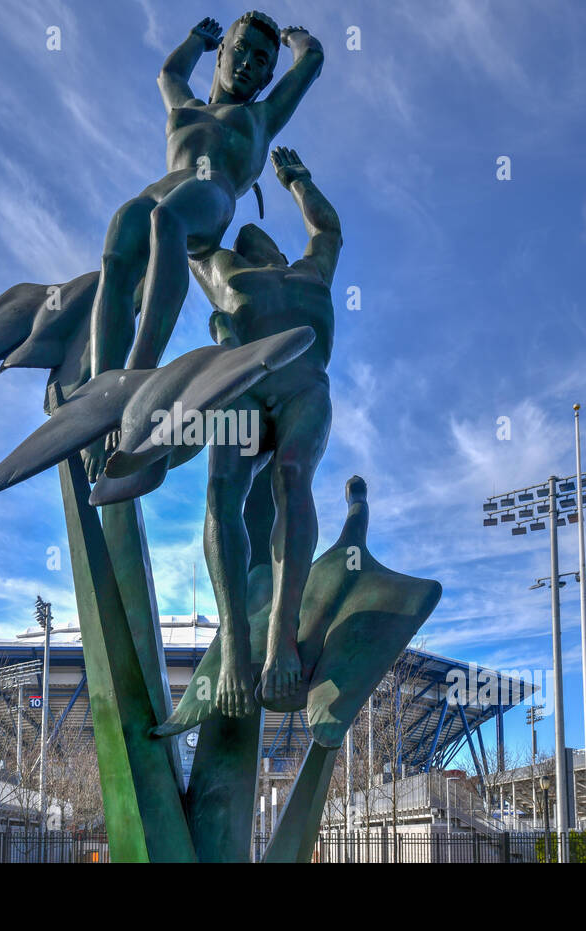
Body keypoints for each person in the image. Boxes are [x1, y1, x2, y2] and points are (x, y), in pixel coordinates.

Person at [84, 12, 323, 481]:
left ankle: (137, 379)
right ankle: (100, 398)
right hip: (163, 187)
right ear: (222, 54)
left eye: (262, 61)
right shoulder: (184, 108)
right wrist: (197, 38)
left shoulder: (260, 116)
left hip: (209, 194)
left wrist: (296, 38)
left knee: (166, 219)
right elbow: (168, 74)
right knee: (117, 255)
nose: (250, 65)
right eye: (242, 51)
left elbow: (311, 62)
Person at [190, 145, 341, 715]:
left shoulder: (309, 273)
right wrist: (222, 167)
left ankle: (281, 631)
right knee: (221, 489)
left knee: (293, 474)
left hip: (304, 387)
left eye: (262, 240)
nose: (250, 242)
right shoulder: (224, 270)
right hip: (245, 388)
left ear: (279, 247)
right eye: (239, 240)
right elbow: (186, 225)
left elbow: (328, 229)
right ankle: (234, 641)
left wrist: (297, 180)